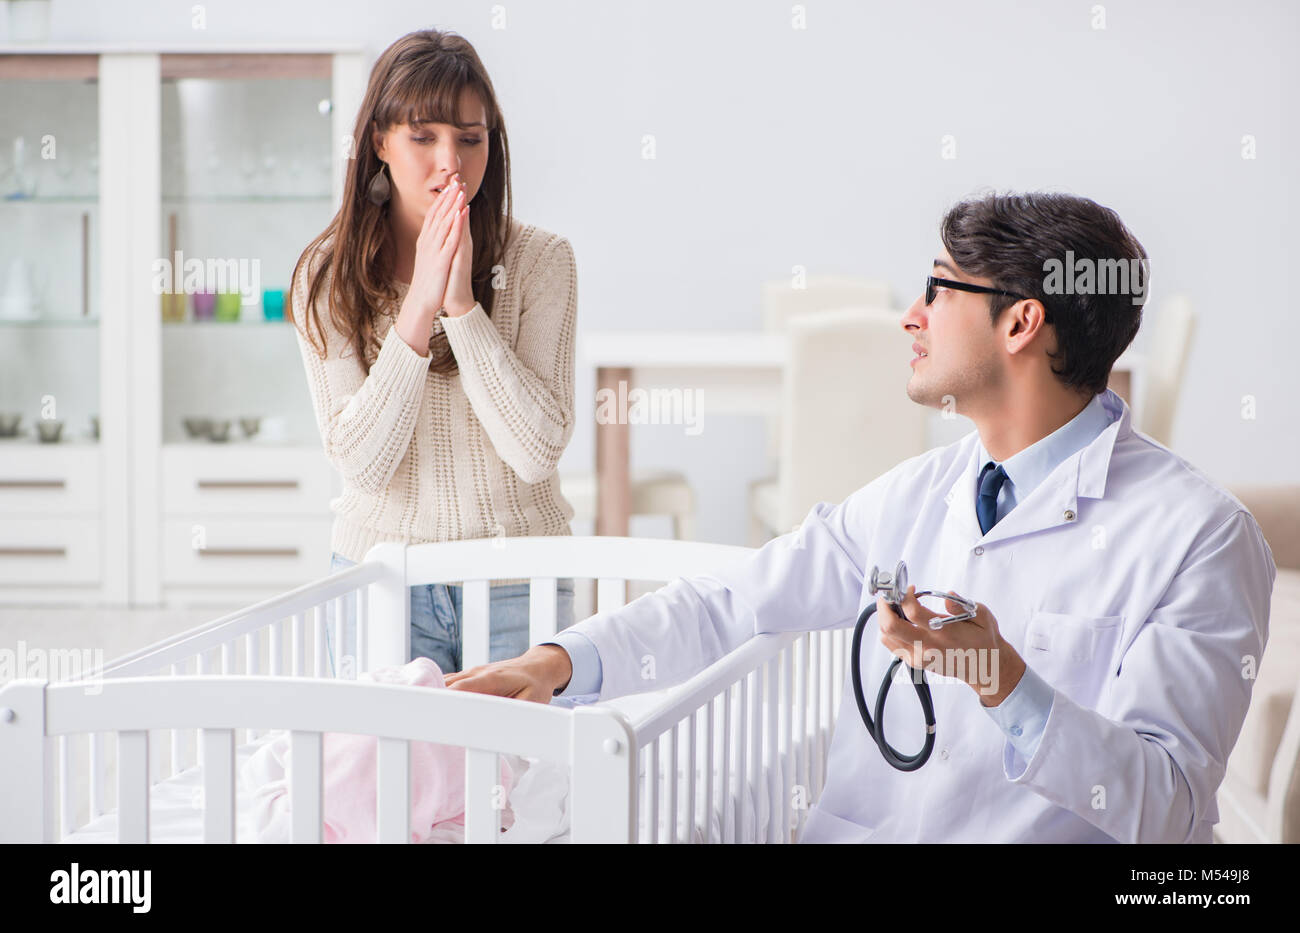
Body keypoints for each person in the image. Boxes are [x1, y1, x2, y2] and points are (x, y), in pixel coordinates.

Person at [445, 191, 1276, 843]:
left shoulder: (1200, 537)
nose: (910, 315)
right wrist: (558, 660)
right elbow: (733, 600)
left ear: (1022, 322)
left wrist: (1008, 682)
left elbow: (1167, 806)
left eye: (939, 289)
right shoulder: (917, 494)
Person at [286, 29, 578, 679]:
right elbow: (362, 464)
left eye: (470, 139)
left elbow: (536, 452)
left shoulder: (542, 262)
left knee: (520, 779)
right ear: (379, 143)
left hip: (515, 580)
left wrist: (463, 309)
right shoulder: (324, 277)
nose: (450, 162)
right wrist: (419, 303)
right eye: (423, 137)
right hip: (383, 579)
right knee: (384, 777)